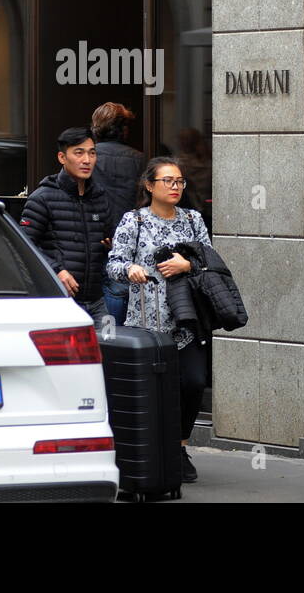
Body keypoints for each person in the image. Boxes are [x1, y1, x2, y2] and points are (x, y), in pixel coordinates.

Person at [105, 156, 212, 484]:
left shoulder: (193, 220)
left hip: (186, 321)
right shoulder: (133, 221)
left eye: (179, 181)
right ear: (149, 185)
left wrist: (187, 266)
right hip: (146, 324)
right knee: (153, 391)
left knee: (193, 382)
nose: (175, 187)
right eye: (168, 181)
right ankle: (150, 451)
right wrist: (130, 269)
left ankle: (179, 446)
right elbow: (113, 264)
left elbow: (211, 262)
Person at [21, 127, 112, 321]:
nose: (87, 160)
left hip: (97, 300)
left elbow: (108, 238)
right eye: (79, 153)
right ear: (62, 158)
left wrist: (110, 245)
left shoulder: (100, 196)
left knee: (106, 350)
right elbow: (24, 246)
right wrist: (57, 270)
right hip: (60, 300)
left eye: (92, 153)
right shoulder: (43, 197)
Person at [91, 102, 145, 324]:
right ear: (123, 129)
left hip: (93, 244)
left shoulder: (87, 160)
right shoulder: (140, 160)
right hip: (128, 247)